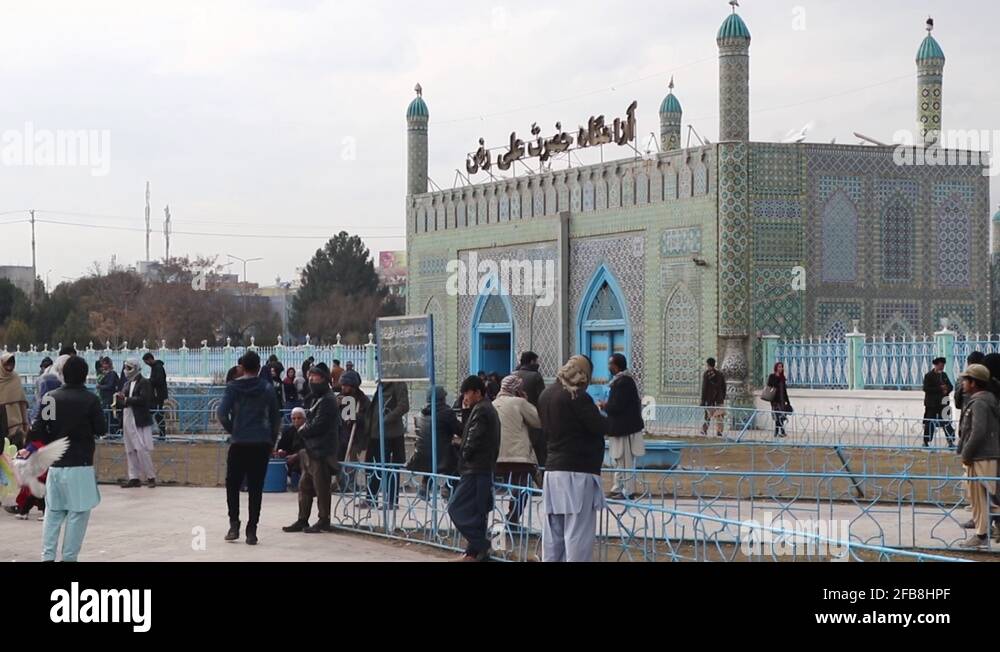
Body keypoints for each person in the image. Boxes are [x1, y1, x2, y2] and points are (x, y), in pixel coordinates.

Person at [26, 355, 105, 561]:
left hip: (56, 465)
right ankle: (69, 558)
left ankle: (48, 556)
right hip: (80, 464)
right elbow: (101, 429)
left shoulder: (51, 398)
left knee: (53, 514)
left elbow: (39, 431)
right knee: (77, 515)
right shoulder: (90, 399)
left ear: (62, 374)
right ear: (85, 376)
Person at [538, 355, 609, 562]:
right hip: (577, 473)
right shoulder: (576, 396)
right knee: (578, 534)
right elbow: (599, 426)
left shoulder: (546, 394)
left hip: (553, 471)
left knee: (553, 533)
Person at [217, 351, 281, 545]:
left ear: (242, 367)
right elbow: (275, 418)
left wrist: (233, 429)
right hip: (260, 443)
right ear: (259, 367)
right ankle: (252, 530)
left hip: (239, 443)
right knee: (255, 487)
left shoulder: (233, 387)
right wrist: (271, 440)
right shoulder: (267, 388)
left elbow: (221, 413)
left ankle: (234, 524)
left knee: (233, 484)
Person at [447, 375, 500, 562]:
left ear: (477, 392)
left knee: (456, 508)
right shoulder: (481, 408)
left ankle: (481, 545)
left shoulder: (482, 411)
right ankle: (474, 553)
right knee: (477, 513)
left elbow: (473, 439)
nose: (465, 397)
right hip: (481, 467)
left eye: (467, 393)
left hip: (476, 468)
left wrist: (463, 451)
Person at [283, 365, 341, 533]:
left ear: (323, 379)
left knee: (321, 487)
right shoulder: (318, 398)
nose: (311, 380)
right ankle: (303, 519)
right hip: (311, 450)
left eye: (314, 377)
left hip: (322, 451)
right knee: (305, 486)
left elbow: (318, 426)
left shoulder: (328, 400)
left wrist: (302, 430)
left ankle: (324, 520)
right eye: (310, 376)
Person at [955, 364, 1000, 548]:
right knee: (988, 497)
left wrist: (966, 453)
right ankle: (988, 531)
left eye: (966, 380)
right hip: (984, 455)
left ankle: (981, 535)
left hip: (981, 456)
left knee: (982, 498)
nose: (963, 383)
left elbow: (978, 431)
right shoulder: (983, 399)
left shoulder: (980, 402)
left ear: (973, 383)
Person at [494, 375, 542, 526]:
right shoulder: (519, 403)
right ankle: (513, 518)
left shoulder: (493, 404)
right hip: (519, 456)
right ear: (517, 389)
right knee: (521, 487)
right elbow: (538, 421)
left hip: (496, 456)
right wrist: (526, 401)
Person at [598, 354, 645, 500]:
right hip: (621, 427)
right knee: (619, 460)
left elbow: (617, 406)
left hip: (625, 428)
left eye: (610, 363)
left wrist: (605, 406)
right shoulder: (620, 381)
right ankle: (617, 487)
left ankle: (628, 491)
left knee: (625, 461)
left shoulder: (623, 382)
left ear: (616, 366)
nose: (608, 366)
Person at [406, 386, 462, 498]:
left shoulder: (421, 414)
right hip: (443, 457)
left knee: (433, 450)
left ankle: (425, 484)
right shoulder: (447, 413)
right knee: (462, 459)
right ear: (442, 399)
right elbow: (461, 431)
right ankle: (448, 486)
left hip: (422, 456)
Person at [365, 379, 409, 508]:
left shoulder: (398, 383)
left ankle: (391, 501)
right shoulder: (381, 383)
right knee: (374, 467)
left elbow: (404, 405)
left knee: (391, 468)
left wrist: (386, 419)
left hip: (391, 434)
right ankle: (371, 499)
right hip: (376, 434)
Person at [116, 359, 156, 488]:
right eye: (125, 367)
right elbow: (124, 398)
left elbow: (144, 399)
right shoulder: (127, 383)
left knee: (141, 448)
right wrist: (120, 398)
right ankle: (134, 477)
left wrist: (127, 399)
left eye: (129, 368)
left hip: (137, 417)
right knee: (129, 449)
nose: (126, 370)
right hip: (127, 416)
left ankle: (151, 476)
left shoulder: (144, 382)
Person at [337, 370, 370, 492]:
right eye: (342, 385)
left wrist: (356, 417)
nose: (343, 387)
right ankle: (341, 483)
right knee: (339, 461)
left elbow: (369, 419)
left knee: (352, 461)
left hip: (356, 437)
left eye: (346, 385)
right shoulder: (340, 399)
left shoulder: (363, 400)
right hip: (341, 437)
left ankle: (350, 484)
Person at [514, 351, 547, 470]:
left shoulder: (514, 375)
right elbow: (543, 398)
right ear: (532, 361)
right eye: (536, 361)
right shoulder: (536, 376)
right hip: (534, 419)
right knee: (540, 453)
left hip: (517, 420)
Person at [922, 357, 956, 448]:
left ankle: (950, 441)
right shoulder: (928, 375)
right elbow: (926, 388)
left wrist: (947, 390)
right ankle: (926, 441)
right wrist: (940, 389)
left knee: (946, 422)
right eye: (941, 365)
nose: (942, 367)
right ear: (936, 365)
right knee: (929, 423)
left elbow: (950, 386)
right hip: (932, 404)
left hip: (943, 403)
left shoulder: (944, 375)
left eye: (943, 366)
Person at [0, 353, 29, 451]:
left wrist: (25, 424)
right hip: (1, 421)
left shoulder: (15, 378)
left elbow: (22, 403)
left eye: (12, 363)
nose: (10, 366)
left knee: (16, 454)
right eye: (7, 363)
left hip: (16, 425)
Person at [275, 407, 306, 481]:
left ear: (304, 419)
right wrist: (281, 452)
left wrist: (296, 456)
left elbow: (310, 448)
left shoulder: (309, 430)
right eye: (294, 418)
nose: (296, 421)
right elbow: (280, 447)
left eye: (299, 418)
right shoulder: (288, 432)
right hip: (289, 460)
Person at [142, 353, 168, 439]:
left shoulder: (158, 367)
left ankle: (162, 434)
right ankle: (160, 434)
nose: (147, 364)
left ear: (150, 359)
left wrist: (149, 381)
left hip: (158, 395)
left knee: (158, 414)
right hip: (156, 395)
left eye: (146, 362)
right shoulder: (155, 367)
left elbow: (158, 381)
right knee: (156, 413)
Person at [700, 358, 727, 437]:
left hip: (710, 399)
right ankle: (719, 431)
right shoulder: (720, 374)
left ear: (708, 364)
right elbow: (724, 387)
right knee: (719, 416)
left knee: (708, 415)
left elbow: (704, 388)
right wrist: (722, 397)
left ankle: (704, 430)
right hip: (719, 398)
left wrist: (703, 400)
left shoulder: (706, 374)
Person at [766, 362, 793, 439]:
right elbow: (770, 385)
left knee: (781, 416)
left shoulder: (782, 378)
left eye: (781, 367)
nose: (780, 368)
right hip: (775, 400)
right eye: (779, 367)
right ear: (776, 368)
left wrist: (788, 401)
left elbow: (784, 391)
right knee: (778, 416)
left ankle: (777, 432)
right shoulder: (772, 376)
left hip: (782, 400)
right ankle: (781, 431)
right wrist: (777, 377)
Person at [96, 357, 119, 435]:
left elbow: (110, 386)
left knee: (109, 414)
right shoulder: (105, 374)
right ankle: (108, 431)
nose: (103, 365)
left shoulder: (112, 374)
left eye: (104, 363)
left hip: (109, 398)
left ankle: (112, 432)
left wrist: (100, 387)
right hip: (105, 397)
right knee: (106, 414)